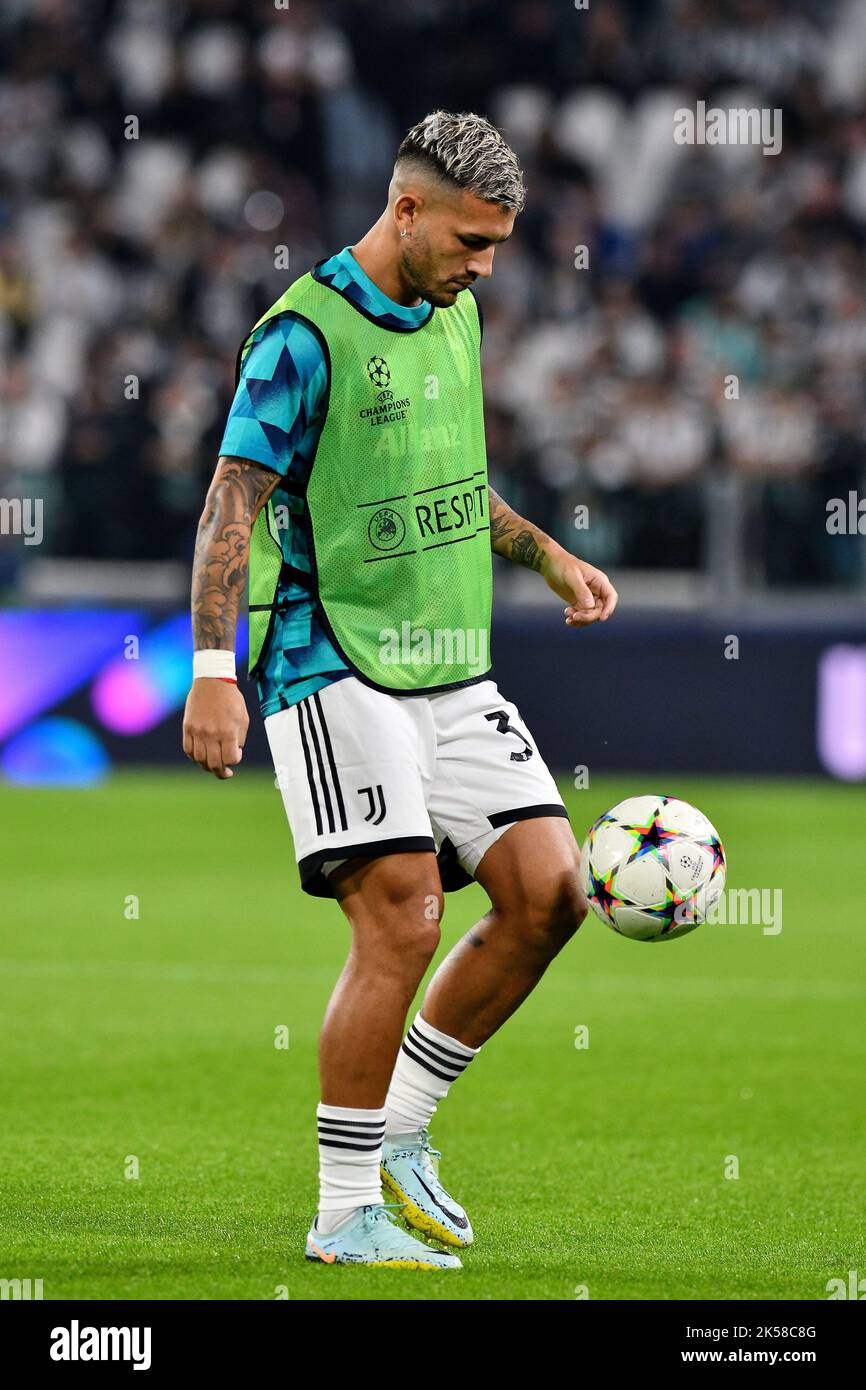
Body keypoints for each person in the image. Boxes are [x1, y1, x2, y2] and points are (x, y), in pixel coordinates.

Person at [182, 110, 618, 1270]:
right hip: (328, 658)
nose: (484, 266)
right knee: (403, 912)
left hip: (444, 661)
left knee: (549, 893)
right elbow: (231, 504)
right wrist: (213, 671)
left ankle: (401, 1136)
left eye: (498, 247)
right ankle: (340, 1215)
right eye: (472, 240)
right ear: (406, 208)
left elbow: (452, 486)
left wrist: (546, 555)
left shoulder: (453, 312)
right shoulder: (300, 336)